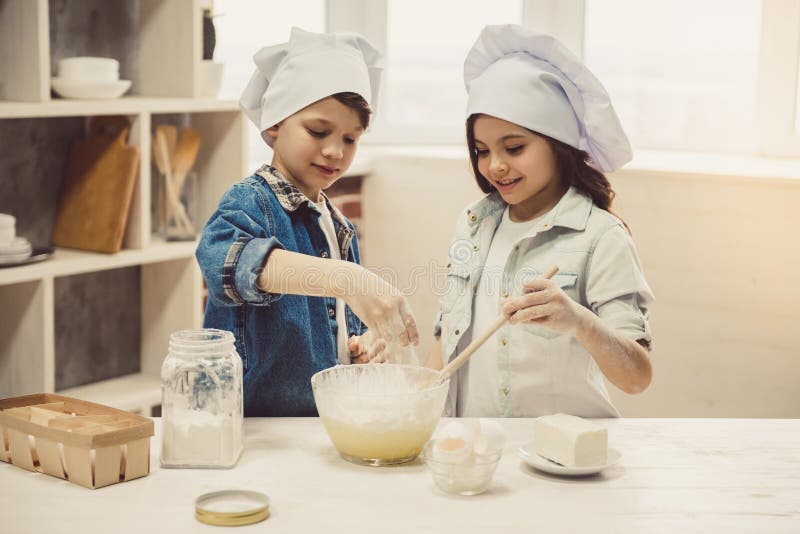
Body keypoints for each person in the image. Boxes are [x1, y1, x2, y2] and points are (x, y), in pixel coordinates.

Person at [429, 25, 654, 418]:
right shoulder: (472, 224)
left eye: (514, 147)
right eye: (482, 150)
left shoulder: (602, 238)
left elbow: (636, 378)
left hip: (562, 465)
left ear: (558, 143)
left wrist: (578, 320)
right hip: (474, 453)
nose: (495, 165)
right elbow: (446, 336)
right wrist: (418, 407)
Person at [196, 28, 417, 416]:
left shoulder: (339, 228)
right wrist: (346, 278)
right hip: (253, 428)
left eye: (350, 139)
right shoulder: (250, 202)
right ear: (274, 125)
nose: (335, 150)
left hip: (320, 425)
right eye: (318, 131)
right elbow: (226, 264)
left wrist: (362, 348)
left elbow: (338, 329)